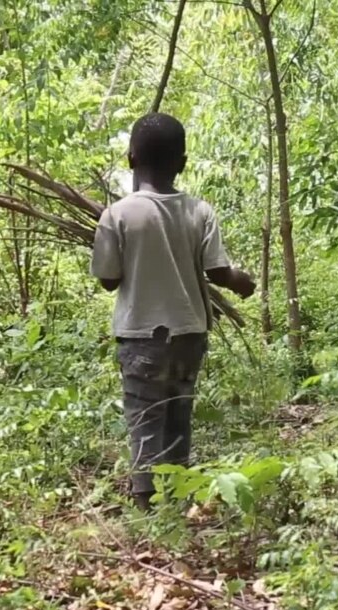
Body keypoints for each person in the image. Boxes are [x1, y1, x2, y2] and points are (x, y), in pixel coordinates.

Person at [92, 113, 256, 512]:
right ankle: (179, 498)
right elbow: (217, 271)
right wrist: (241, 280)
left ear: (131, 158)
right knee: (178, 412)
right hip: (188, 333)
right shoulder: (199, 211)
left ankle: (147, 505)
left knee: (143, 415)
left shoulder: (116, 215)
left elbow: (108, 280)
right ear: (182, 162)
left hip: (139, 336)